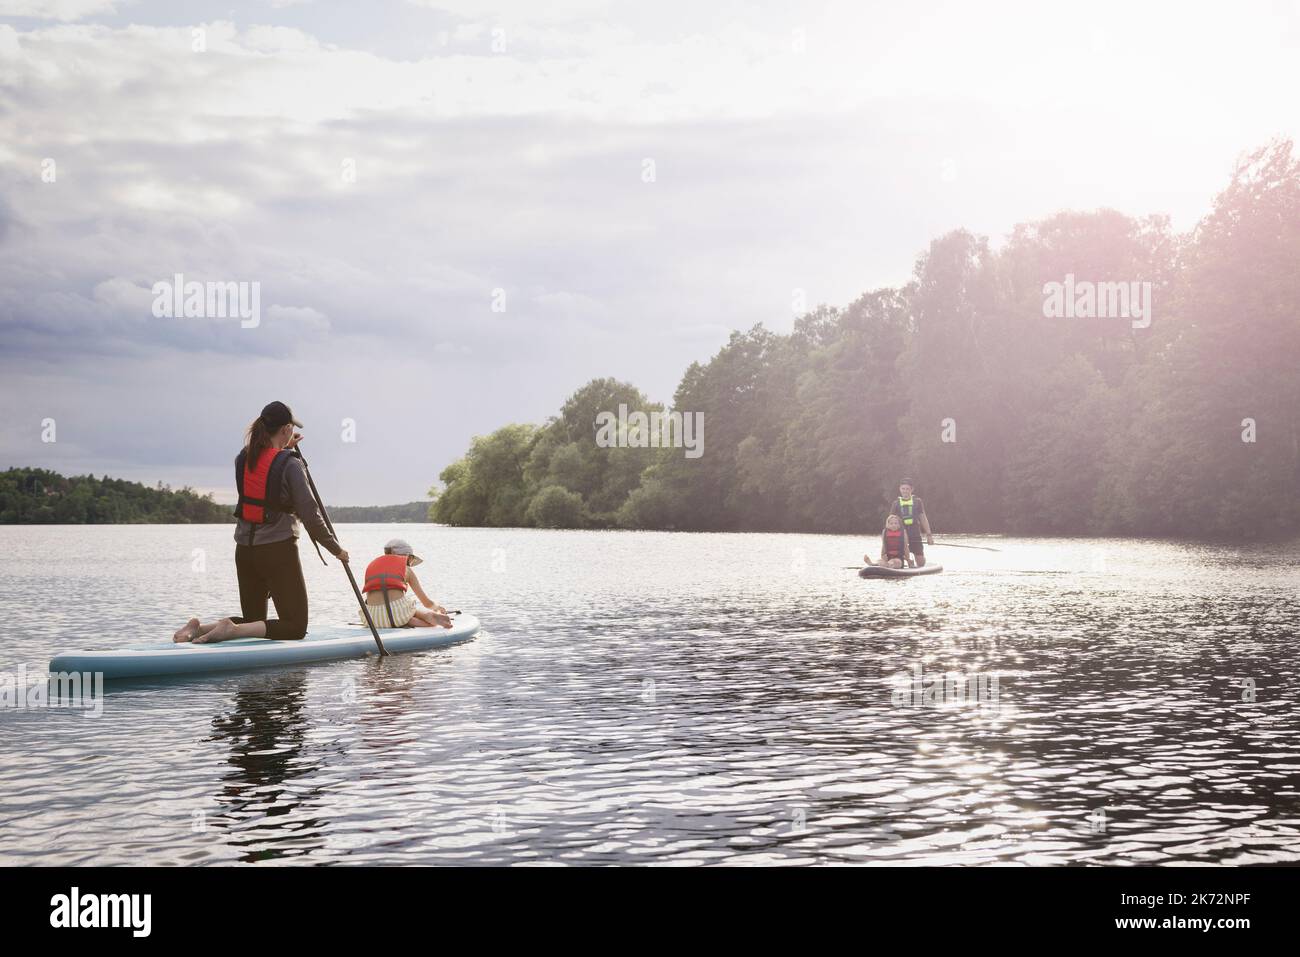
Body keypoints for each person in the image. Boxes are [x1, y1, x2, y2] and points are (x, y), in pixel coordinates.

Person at [173, 401, 349, 644]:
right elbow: (309, 513)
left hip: (244, 552)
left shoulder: (242, 459)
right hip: (277, 550)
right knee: (295, 626)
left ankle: (199, 628)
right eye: (290, 428)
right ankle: (230, 629)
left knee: (254, 619)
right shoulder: (290, 464)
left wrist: (284, 449)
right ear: (287, 429)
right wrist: (336, 549)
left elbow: (265, 479)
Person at [361, 539, 453, 629]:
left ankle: (407, 620)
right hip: (397, 615)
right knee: (408, 609)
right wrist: (437, 607)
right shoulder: (406, 569)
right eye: (411, 560)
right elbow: (426, 603)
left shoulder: (372, 565)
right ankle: (427, 616)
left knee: (393, 611)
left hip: (371, 619)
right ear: (408, 556)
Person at [889, 477, 934, 568]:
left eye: (907, 489)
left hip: (915, 533)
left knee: (921, 563)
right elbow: (889, 521)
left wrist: (929, 535)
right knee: (898, 559)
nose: (905, 491)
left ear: (912, 489)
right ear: (900, 489)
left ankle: (914, 562)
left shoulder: (917, 502)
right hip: (901, 534)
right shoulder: (896, 503)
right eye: (903, 489)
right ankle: (905, 561)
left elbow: (923, 518)